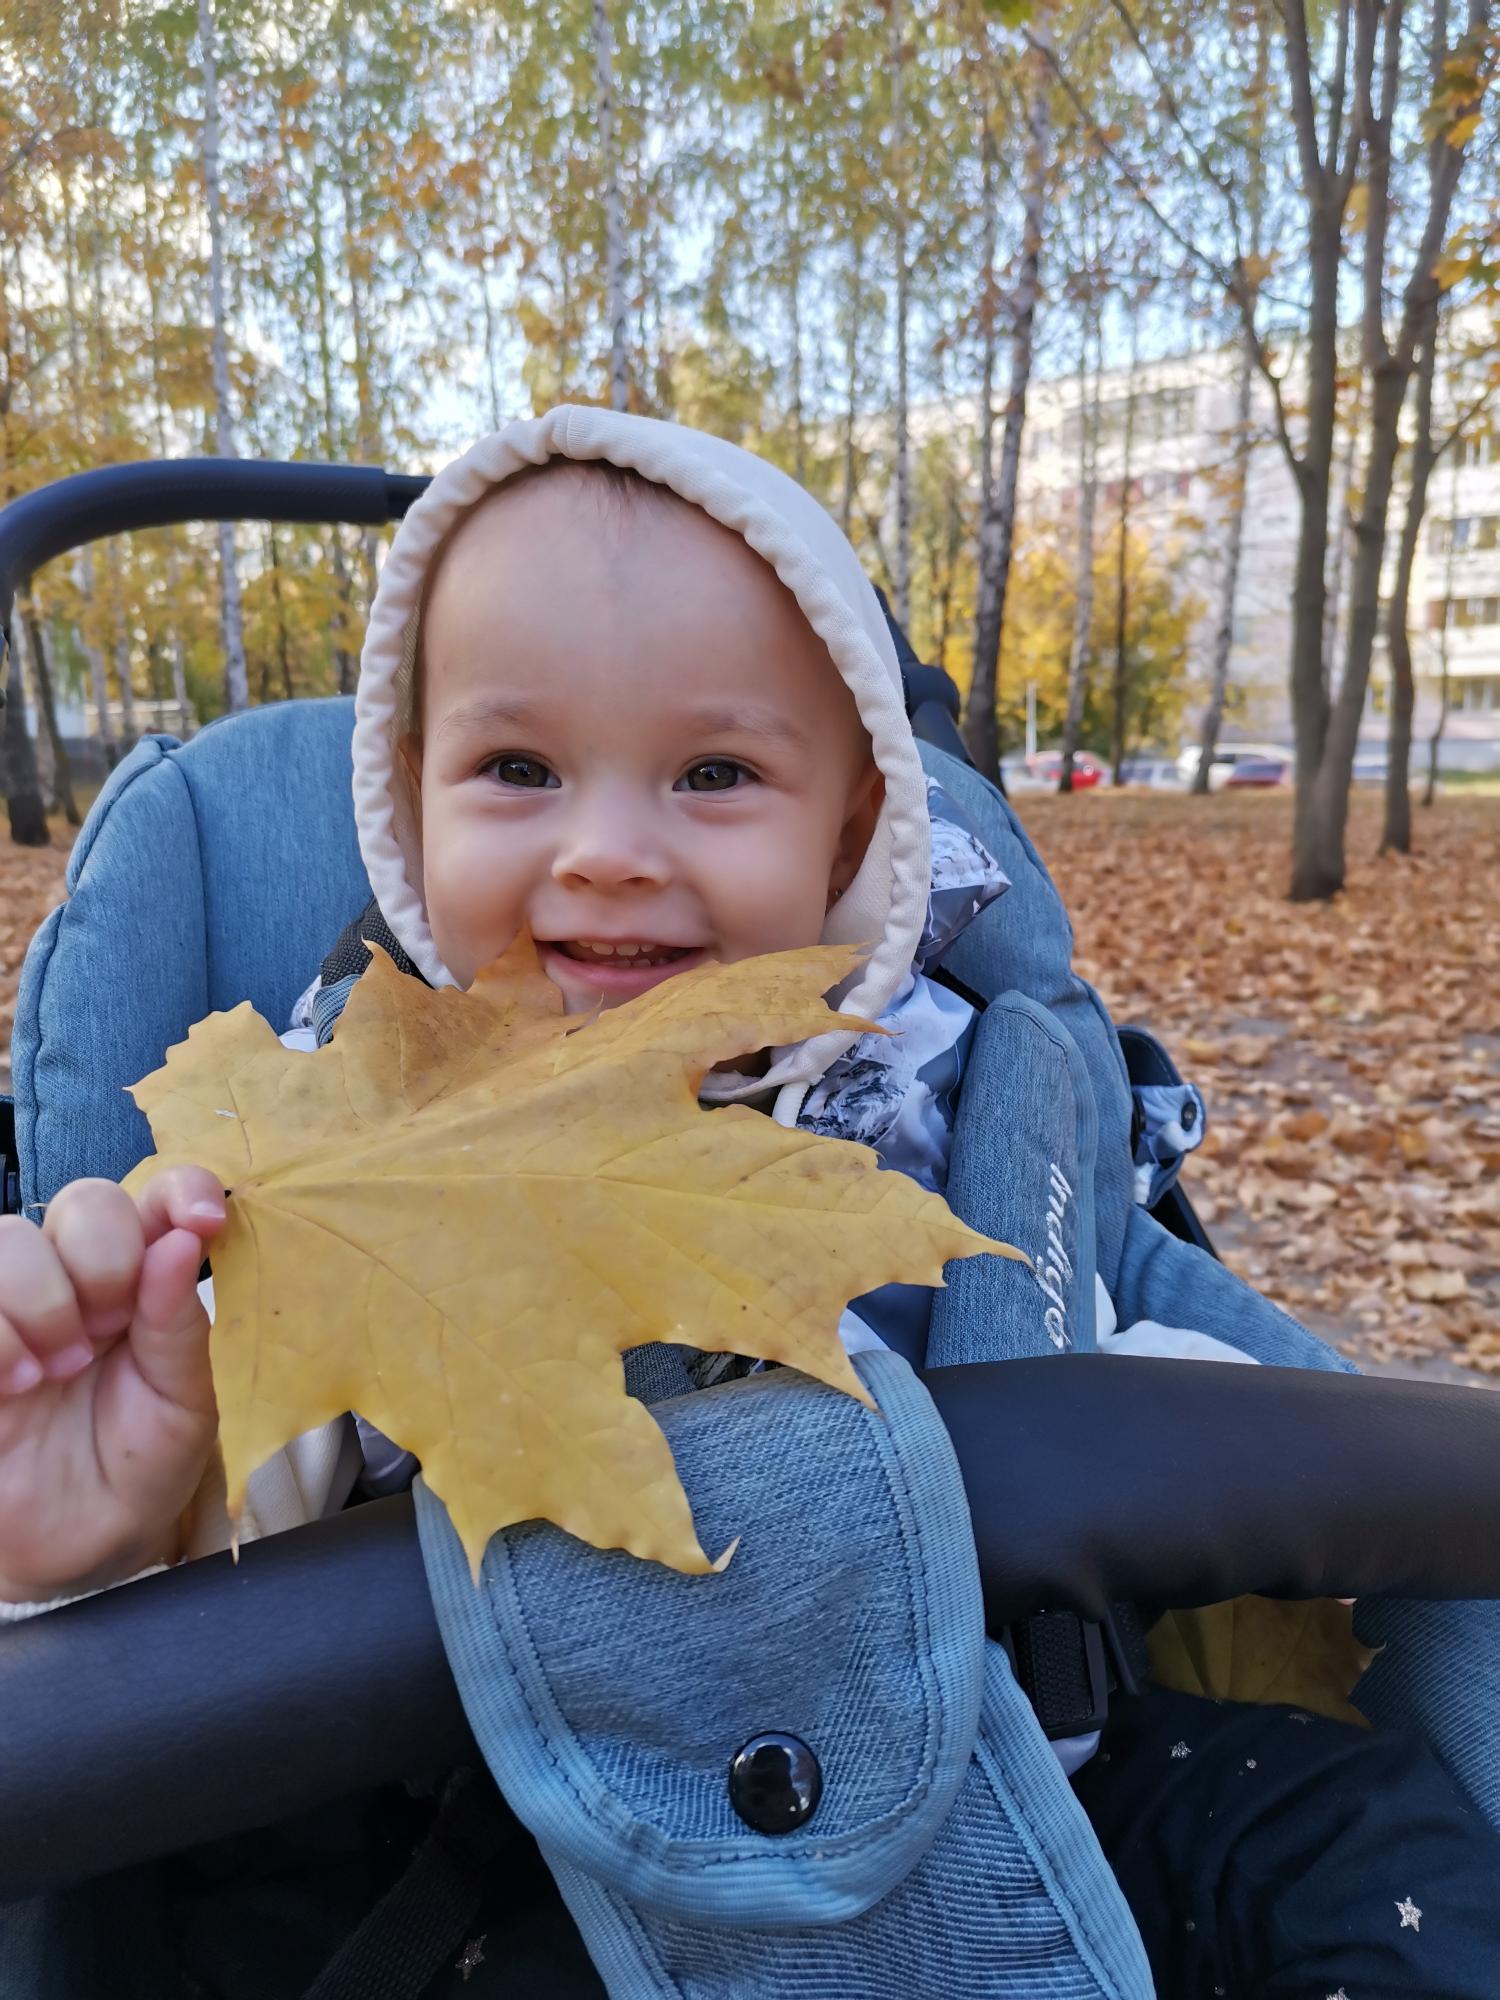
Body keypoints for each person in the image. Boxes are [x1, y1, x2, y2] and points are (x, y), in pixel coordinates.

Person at [0, 410, 1496, 1998]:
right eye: (517, 771)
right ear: (405, 808)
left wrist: (1238, 1459)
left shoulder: (962, 1095)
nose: (608, 850)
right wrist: (122, 1512)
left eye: (715, 774)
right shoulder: (320, 1162)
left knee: (1369, 1856)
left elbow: (1205, 1353)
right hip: (528, 1822)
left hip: (1010, 1757)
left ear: (851, 825)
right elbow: (233, 1492)